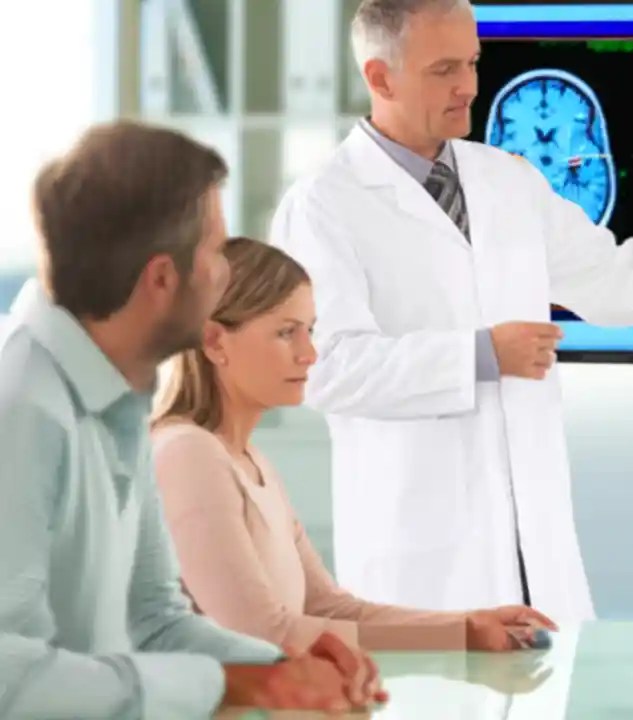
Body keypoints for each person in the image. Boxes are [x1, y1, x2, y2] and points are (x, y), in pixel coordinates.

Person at [268, 0, 633, 621]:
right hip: (423, 558)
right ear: (380, 78)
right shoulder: (325, 206)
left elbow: (616, 279)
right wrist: (483, 355)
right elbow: (327, 368)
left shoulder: (505, 181)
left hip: (532, 553)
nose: (469, 87)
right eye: (444, 70)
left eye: (473, 63)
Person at [0, 121, 384, 717]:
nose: (227, 272)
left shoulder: (121, 402)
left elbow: (155, 621)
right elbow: (8, 677)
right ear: (161, 279)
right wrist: (229, 686)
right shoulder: (22, 408)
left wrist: (287, 669)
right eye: (214, 252)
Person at [150, 235, 559, 655]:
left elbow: (329, 607)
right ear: (215, 341)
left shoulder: (249, 461)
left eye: (309, 331)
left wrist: (469, 621)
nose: (310, 353)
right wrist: (460, 637)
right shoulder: (187, 454)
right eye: (286, 333)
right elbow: (261, 635)